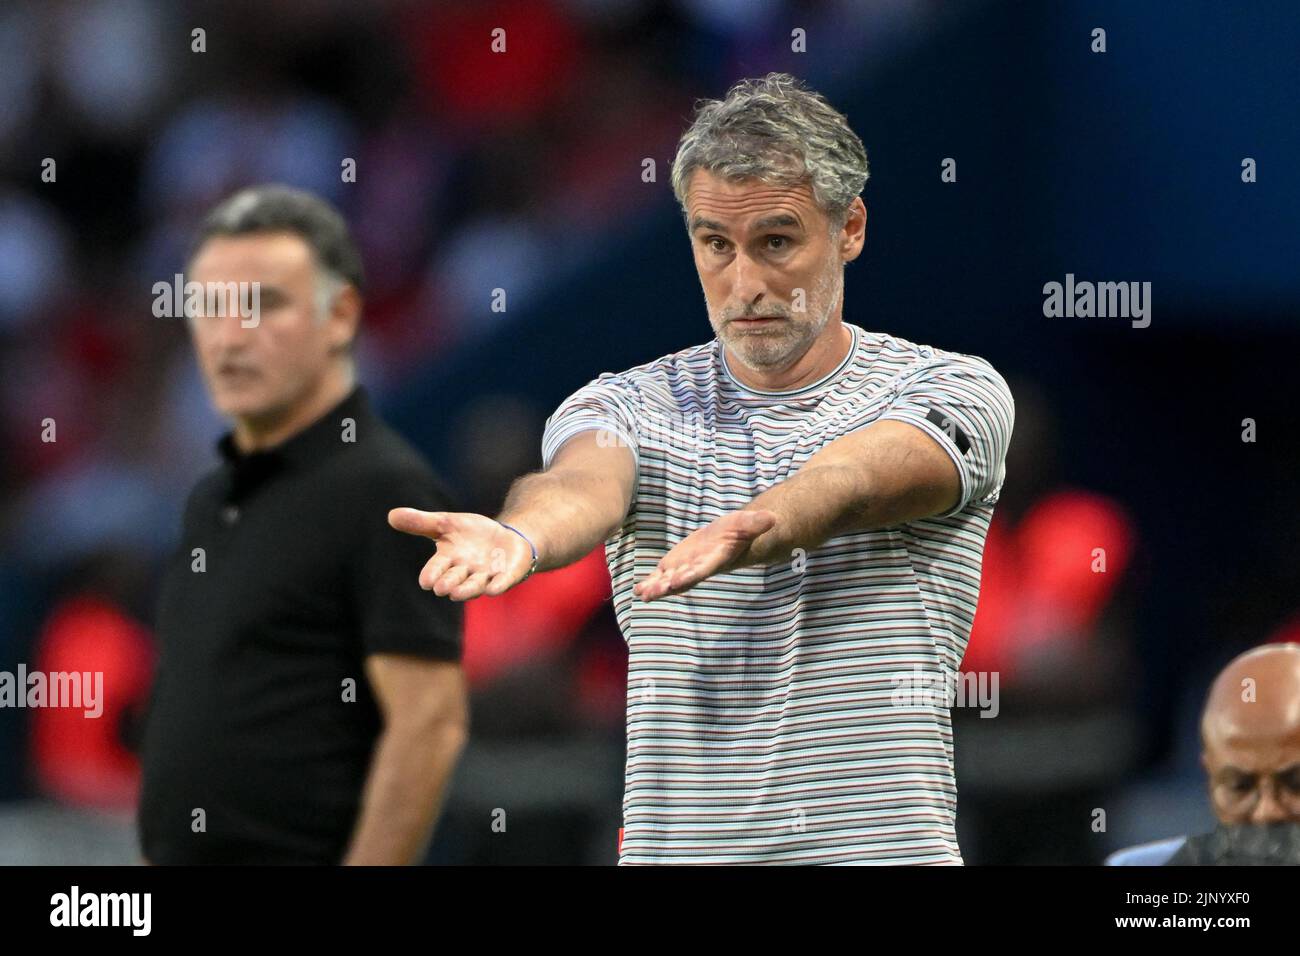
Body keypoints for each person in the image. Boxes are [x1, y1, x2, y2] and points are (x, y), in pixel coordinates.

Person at [391, 73, 1014, 864]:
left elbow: (860, 478)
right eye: (715, 244)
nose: (745, 282)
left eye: (777, 241)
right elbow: (583, 485)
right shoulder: (624, 404)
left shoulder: (951, 387)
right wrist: (523, 538)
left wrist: (767, 522)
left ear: (849, 227)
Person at [138, 186, 467, 864]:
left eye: (262, 306)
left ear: (340, 313)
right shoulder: (210, 498)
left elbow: (428, 723)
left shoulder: (385, 490)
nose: (230, 337)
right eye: (211, 309)